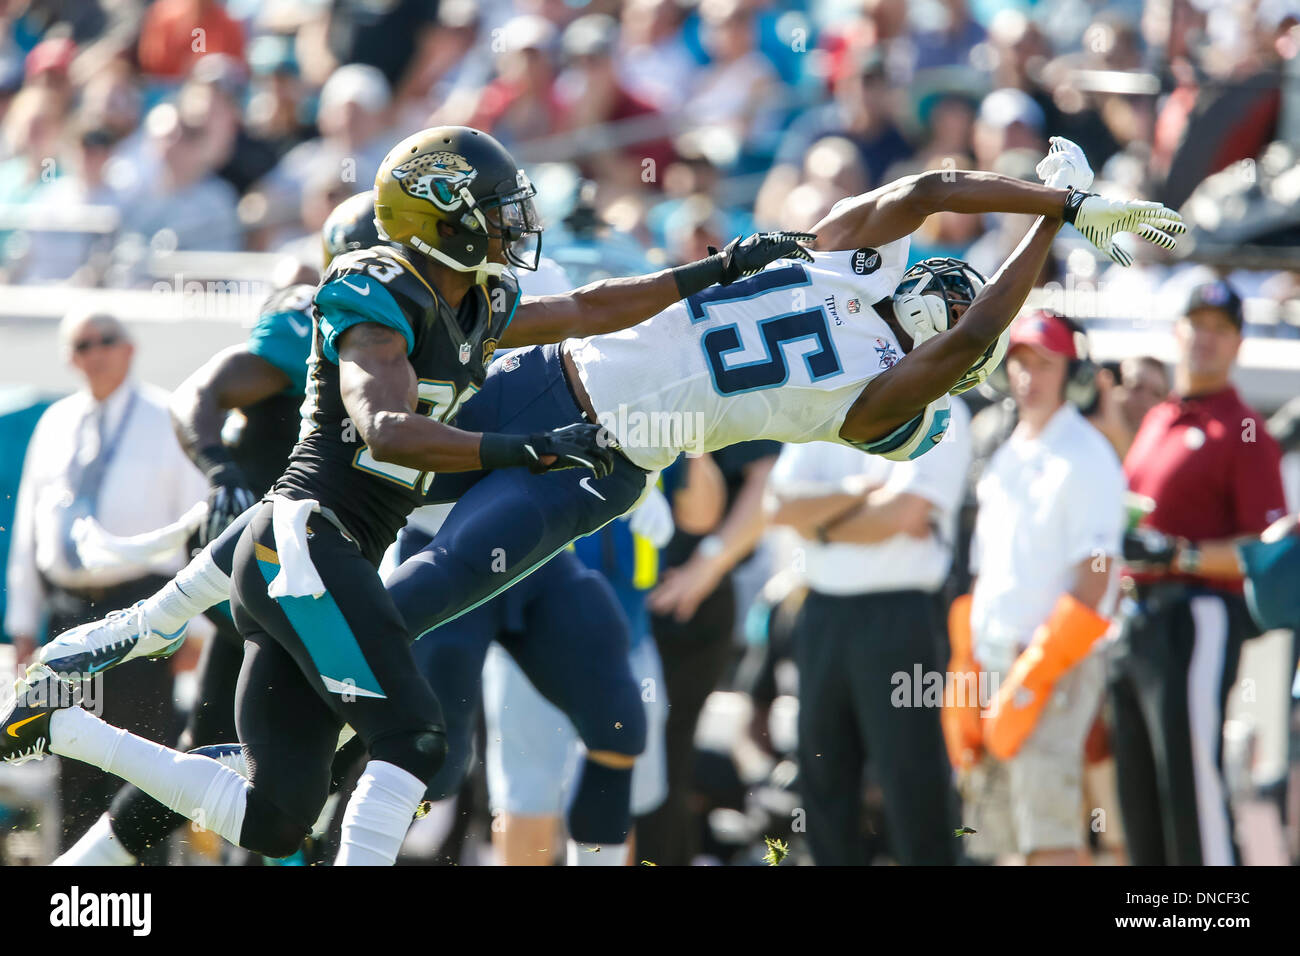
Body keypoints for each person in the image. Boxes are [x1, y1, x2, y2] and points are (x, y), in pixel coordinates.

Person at [14, 134, 1181, 864]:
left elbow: (955, 295)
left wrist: (1049, 216)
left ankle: (215, 708)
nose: (942, 316)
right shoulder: (854, 294)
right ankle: (189, 640)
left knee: (394, 620)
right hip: (554, 395)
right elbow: (938, 228)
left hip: (590, 454)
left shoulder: (871, 373)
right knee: (363, 517)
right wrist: (1049, 213)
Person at [6, 125, 810, 866]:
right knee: (417, 741)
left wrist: (720, 269)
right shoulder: (376, 288)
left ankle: (65, 729)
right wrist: (531, 449)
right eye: (493, 213)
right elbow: (387, 429)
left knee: (280, 816)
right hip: (306, 546)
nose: (510, 228)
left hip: (314, 557)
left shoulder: (475, 296)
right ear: (436, 216)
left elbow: (588, 310)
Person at [49, 193, 379, 866]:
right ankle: (73, 747)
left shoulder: (416, 331)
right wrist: (221, 469)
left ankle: (82, 871)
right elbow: (203, 391)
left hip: (301, 567)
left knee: (222, 761)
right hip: (281, 565)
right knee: (328, 751)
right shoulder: (319, 319)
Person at [4, 308, 206, 852]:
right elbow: (29, 523)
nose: (93, 354)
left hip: (141, 610)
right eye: (82, 345)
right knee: (72, 757)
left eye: (104, 341)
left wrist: (199, 628)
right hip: (70, 613)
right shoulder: (56, 421)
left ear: (129, 348)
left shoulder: (168, 415)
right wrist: (24, 623)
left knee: (143, 760)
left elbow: (196, 525)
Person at [1111, 279, 1287, 865]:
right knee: (1138, 797)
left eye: (1221, 328)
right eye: (1197, 323)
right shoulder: (1159, 418)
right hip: (1135, 617)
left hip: (1196, 616)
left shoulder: (1244, 430)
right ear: (1176, 331)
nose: (1206, 338)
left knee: (1192, 790)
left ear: (1238, 343)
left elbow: (1271, 549)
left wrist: (1180, 555)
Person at [951, 310, 1125, 865]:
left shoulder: (1086, 455)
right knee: (999, 835)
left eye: (1044, 364)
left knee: (1049, 832)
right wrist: (970, 663)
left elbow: (1095, 575)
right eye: (1021, 362)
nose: (1028, 376)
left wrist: (1036, 672)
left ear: (1072, 373)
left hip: (1053, 664)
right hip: (998, 655)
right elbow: (986, 575)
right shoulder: (1005, 452)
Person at [767, 398, 971, 865]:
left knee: (913, 780)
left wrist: (817, 524)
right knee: (823, 777)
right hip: (821, 612)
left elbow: (903, 515)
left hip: (901, 615)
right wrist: (862, 491)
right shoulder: (822, 403)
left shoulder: (940, 410)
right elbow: (778, 505)